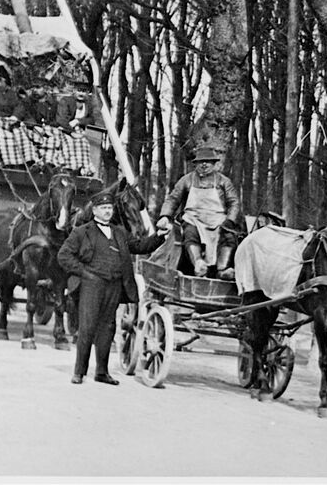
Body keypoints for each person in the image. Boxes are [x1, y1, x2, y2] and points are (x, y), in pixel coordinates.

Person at [57, 190, 167, 385]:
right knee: (87, 328)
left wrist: (159, 236)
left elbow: (141, 246)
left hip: (114, 285)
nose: (108, 211)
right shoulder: (82, 232)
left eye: (110, 208)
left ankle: (101, 372)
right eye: (104, 208)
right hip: (91, 285)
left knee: (108, 328)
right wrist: (84, 272)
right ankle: (79, 372)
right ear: (95, 210)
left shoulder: (119, 232)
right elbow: (64, 255)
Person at [156, 146, 242, 279]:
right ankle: (198, 264)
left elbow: (234, 203)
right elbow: (173, 199)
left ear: (214, 164)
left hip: (218, 219)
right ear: (195, 164)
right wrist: (165, 216)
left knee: (229, 237)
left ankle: (222, 269)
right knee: (190, 234)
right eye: (200, 162)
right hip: (194, 218)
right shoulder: (187, 180)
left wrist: (230, 220)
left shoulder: (223, 182)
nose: (204, 165)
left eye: (208, 161)